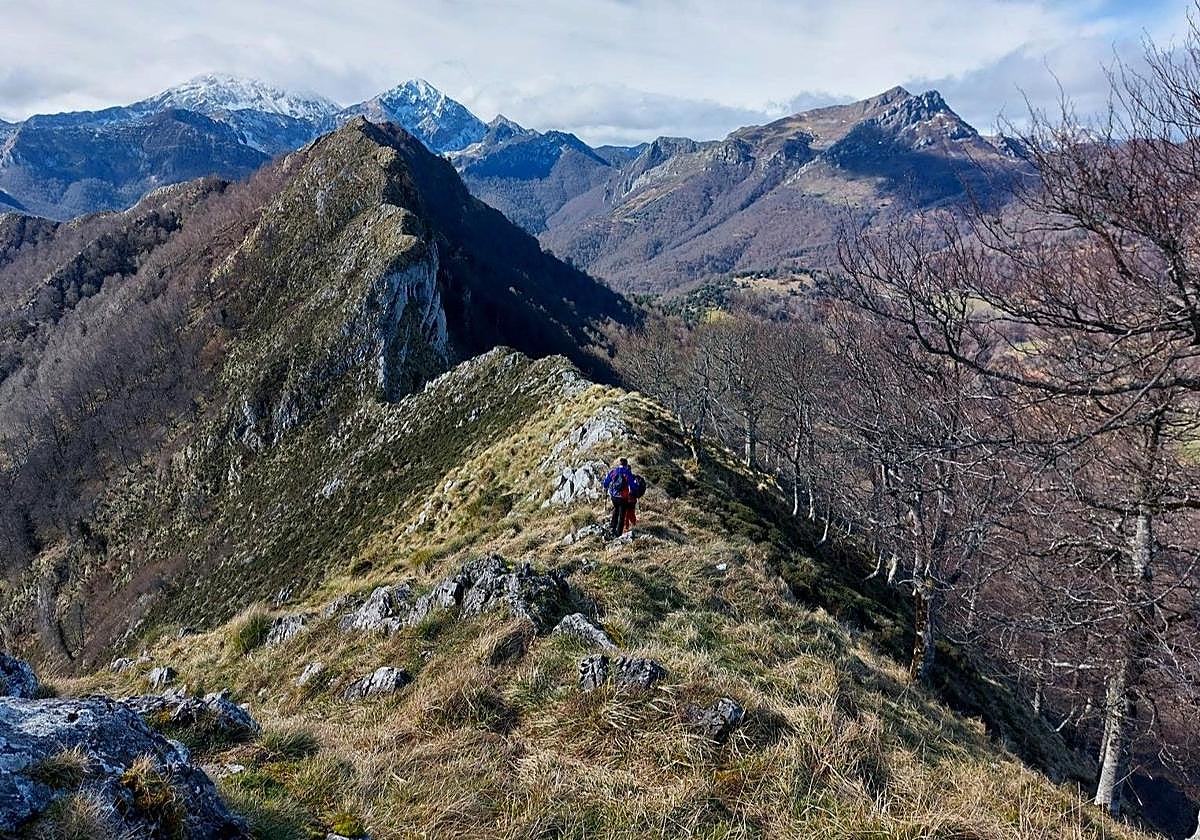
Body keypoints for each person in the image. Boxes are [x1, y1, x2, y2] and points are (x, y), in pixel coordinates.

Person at [602, 457, 633, 538]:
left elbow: (606, 482)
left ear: (619, 464)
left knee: (616, 509)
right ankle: (618, 533)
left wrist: (606, 487)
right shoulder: (627, 473)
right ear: (626, 464)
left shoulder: (614, 471)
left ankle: (612, 527)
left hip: (614, 497)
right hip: (623, 498)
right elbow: (633, 485)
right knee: (622, 515)